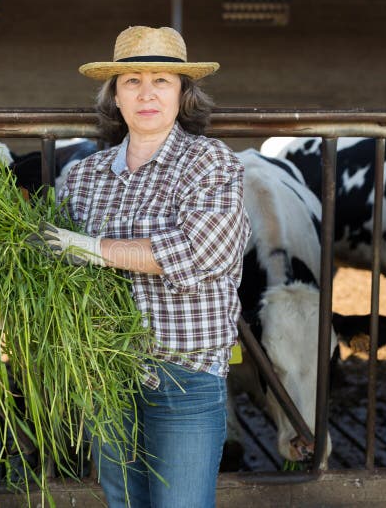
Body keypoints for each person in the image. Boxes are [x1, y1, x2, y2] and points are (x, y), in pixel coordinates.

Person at [30, 26, 251, 507]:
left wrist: (89, 247)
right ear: (114, 95)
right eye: (131, 80)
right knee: (123, 501)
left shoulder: (209, 163)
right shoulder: (84, 176)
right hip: (106, 370)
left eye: (162, 80)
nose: (146, 92)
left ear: (184, 94)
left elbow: (203, 253)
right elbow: (60, 274)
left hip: (185, 373)